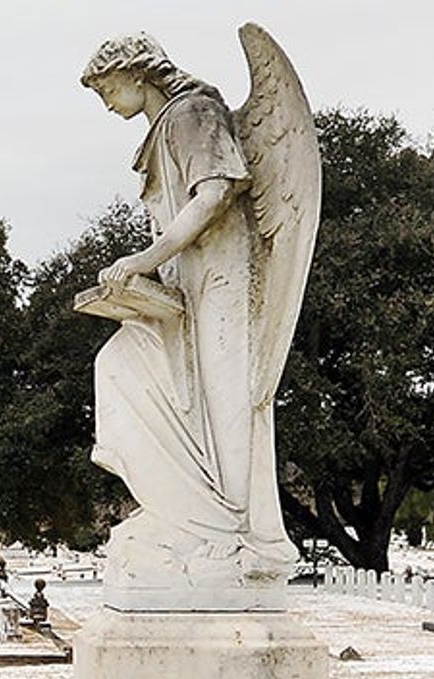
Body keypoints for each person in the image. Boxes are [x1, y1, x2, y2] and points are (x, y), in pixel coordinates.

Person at [80, 32, 305, 597]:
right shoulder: (166, 127)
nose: (106, 103)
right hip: (186, 283)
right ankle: (187, 514)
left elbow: (214, 194)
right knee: (120, 364)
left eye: (108, 89)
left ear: (139, 75)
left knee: (227, 399)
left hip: (223, 279)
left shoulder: (193, 113)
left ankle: (233, 531)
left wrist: (144, 259)